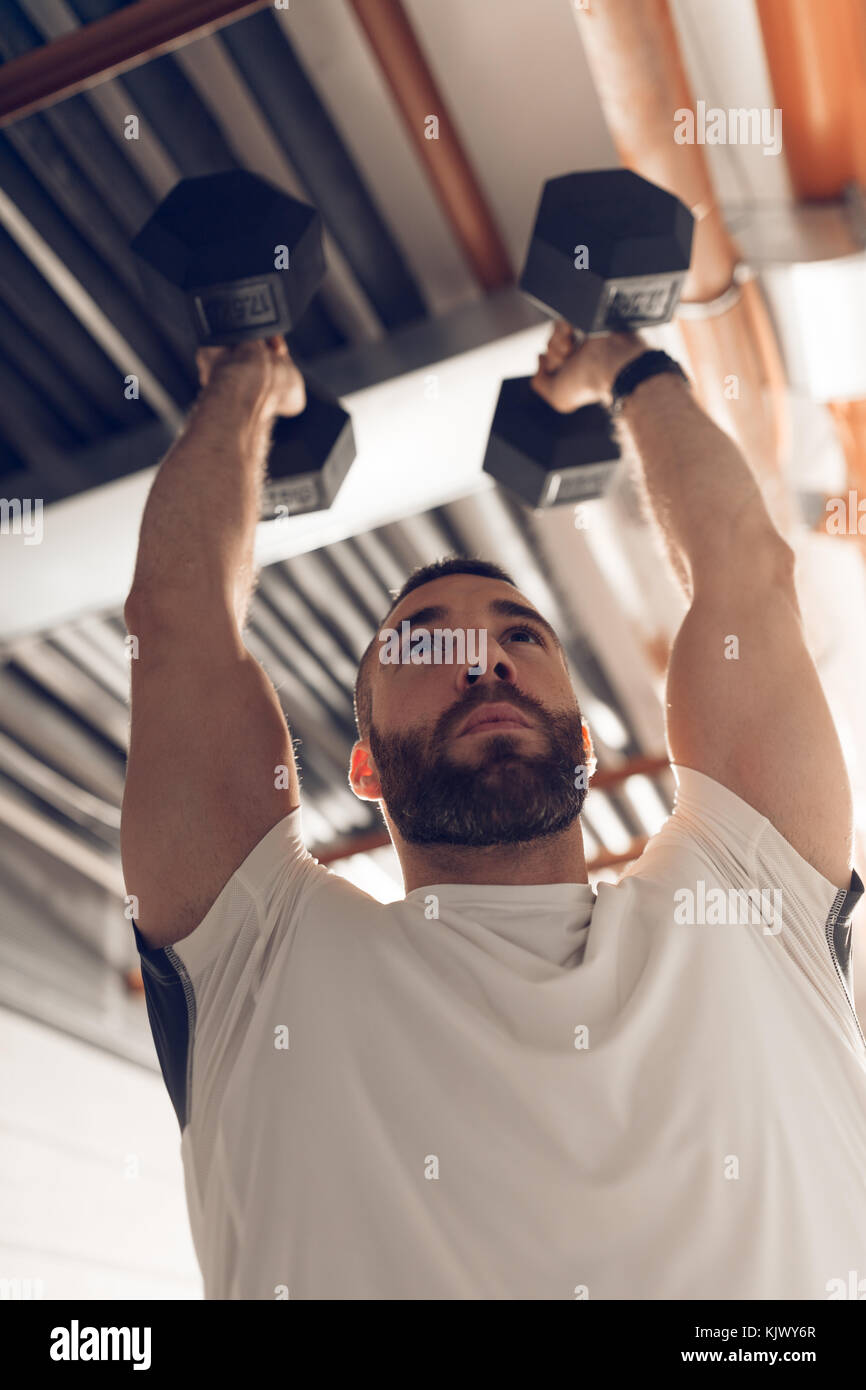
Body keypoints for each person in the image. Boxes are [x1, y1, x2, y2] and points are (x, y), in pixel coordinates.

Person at [121, 324, 866, 1300]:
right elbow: (179, 626)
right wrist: (246, 385)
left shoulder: (741, 890)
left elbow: (747, 575)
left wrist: (622, 365)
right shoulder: (259, 953)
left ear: (588, 744)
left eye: (520, 634)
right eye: (421, 645)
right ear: (365, 769)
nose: (480, 660)